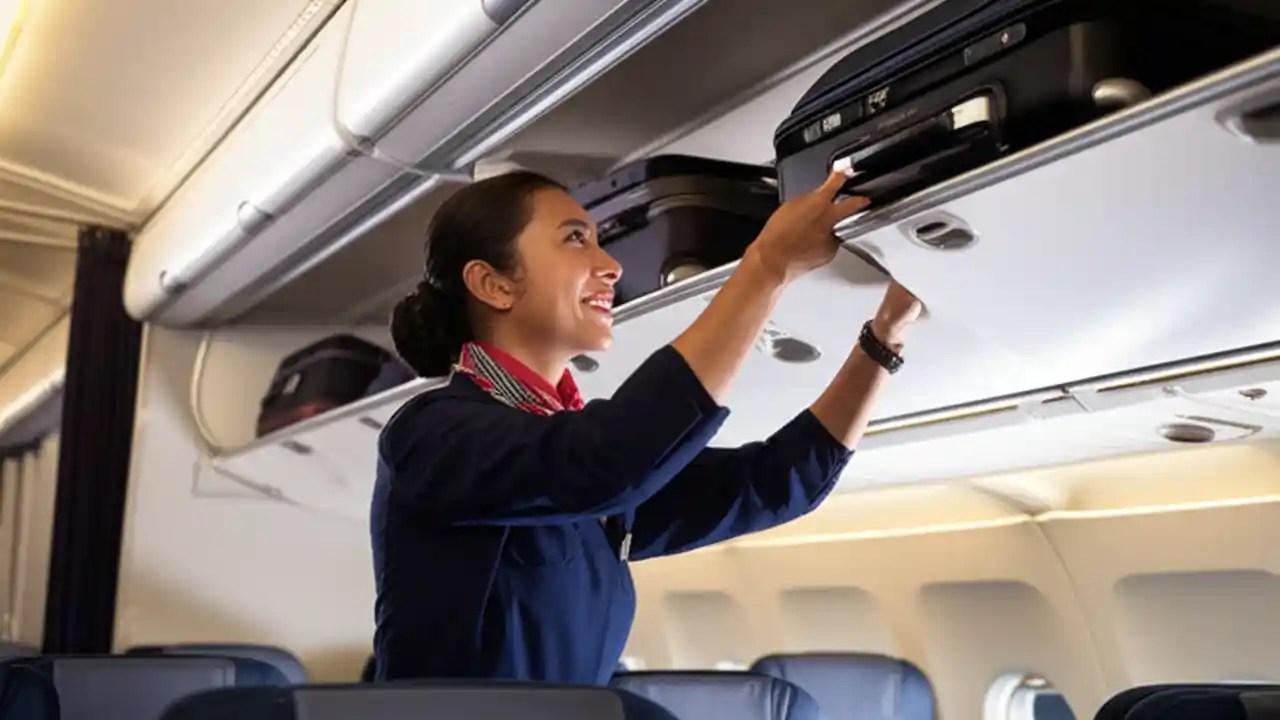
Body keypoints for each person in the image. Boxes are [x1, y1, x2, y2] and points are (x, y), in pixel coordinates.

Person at [371, 167, 922, 684]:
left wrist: (884, 338)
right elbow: (608, 459)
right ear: (494, 285)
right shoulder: (430, 436)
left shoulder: (578, 459)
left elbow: (773, 484)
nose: (610, 264)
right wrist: (766, 265)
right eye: (574, 239)